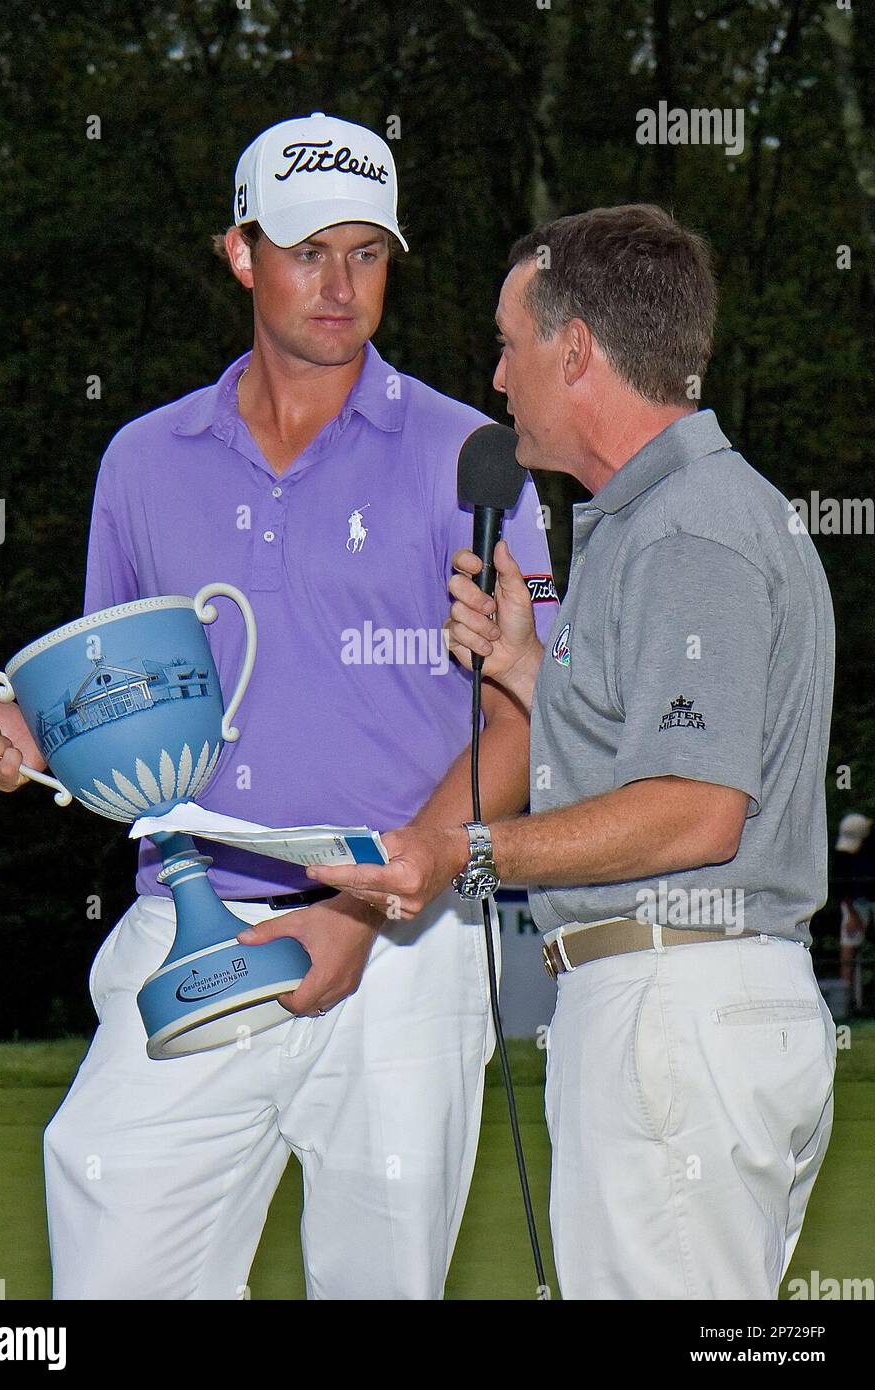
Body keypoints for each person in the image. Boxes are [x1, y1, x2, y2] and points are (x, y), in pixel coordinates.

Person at [0, 113, 557, 1300]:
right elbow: (115, 701)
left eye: (367, 251)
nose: (340, 283)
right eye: (306, 248)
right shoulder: (142, 460)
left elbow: (525, 714)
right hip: (200, 922)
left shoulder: (472, 454)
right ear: (240, 253)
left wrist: (371, 905)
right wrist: (25, 738)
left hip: (407, 951)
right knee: (112, 1239)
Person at [310, 204, 838, 1301]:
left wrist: (464, 852)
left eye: (508, 344)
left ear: (577, 348)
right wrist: (524, 669)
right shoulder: (667, 520)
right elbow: (660, 756)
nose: (497, 381)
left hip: (672, 1009)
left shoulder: (691, 531)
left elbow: (697, 811)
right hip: (687, 1011)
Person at [832, 811, 873, 1008]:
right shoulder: (842, 855)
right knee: (848, 945)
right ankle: (845, 1001)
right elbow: (842, 888)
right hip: (855, 902)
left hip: (870, 898)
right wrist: (852, 915)